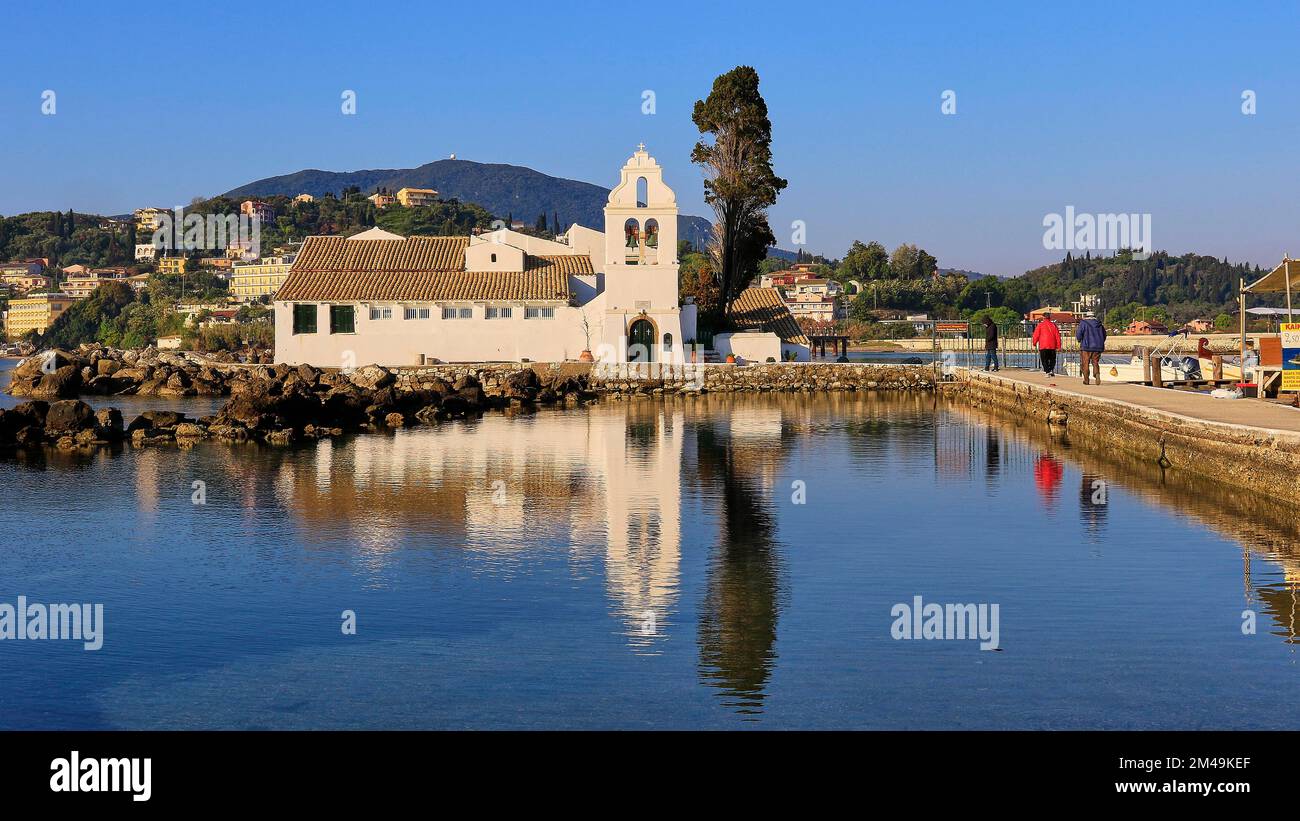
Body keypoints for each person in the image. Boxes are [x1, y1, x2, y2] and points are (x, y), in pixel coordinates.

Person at [1075, 314, 1107, 385]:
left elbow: (1079, 334)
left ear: (1087, 316)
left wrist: (1079, 340)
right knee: (1095, 362)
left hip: (1086, 346)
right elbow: (1104, 335)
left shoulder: (1083, 323)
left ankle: (1086, 380)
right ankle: (1097, 374)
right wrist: (1100, 342)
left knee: (1085, 363)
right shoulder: (1099, 324)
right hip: (1098, 347)